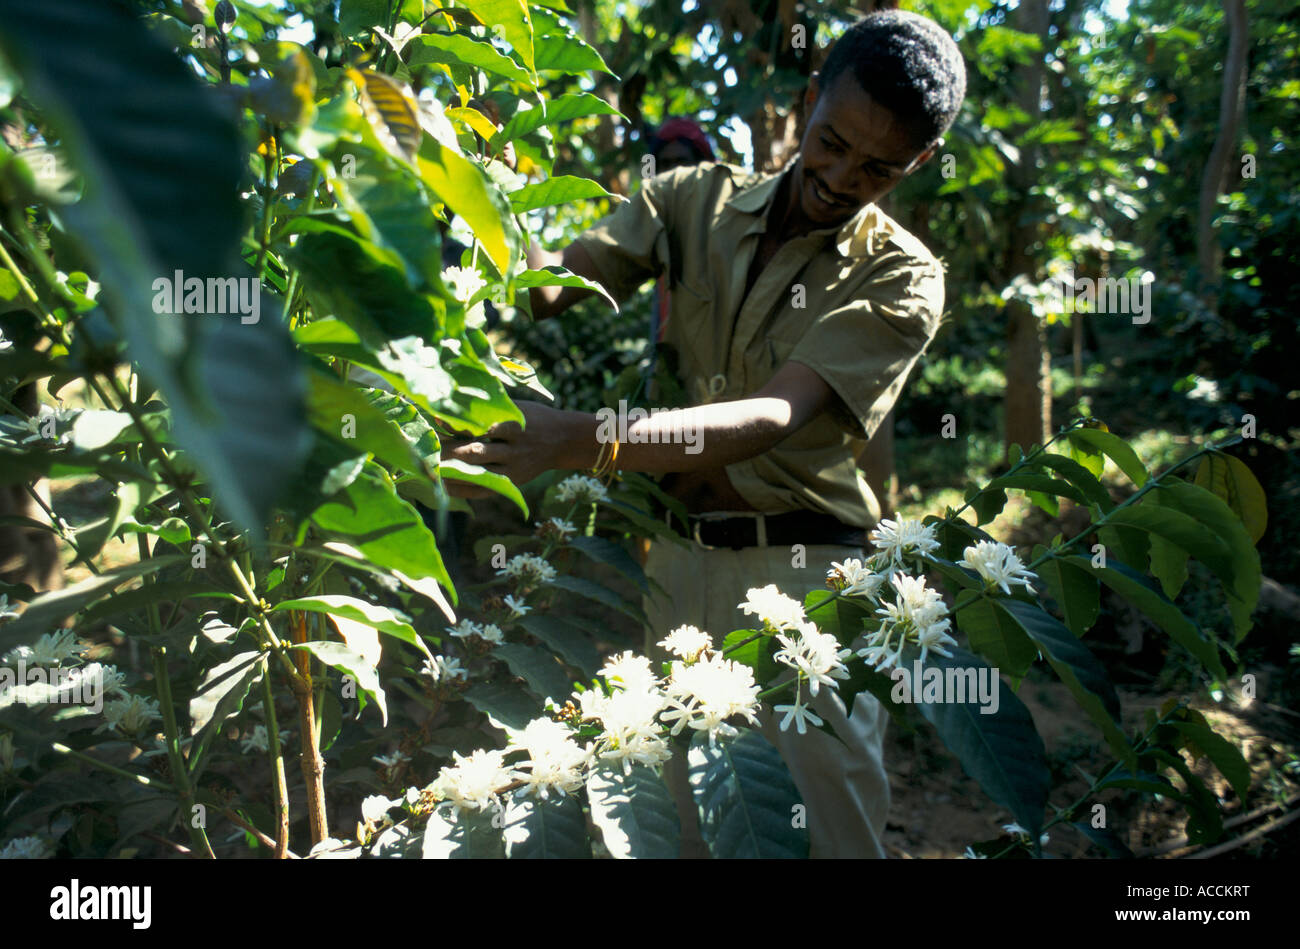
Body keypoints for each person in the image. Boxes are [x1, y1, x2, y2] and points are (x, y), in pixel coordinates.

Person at [444, 9, 967, 857]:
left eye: (879, 167)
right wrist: (477, 213)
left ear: (920, 161)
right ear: (807, 101)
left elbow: (768, 418)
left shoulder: (901, 276)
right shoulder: (696, 201)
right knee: (681, 823)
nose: (839, 176)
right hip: (676, 563)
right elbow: (552, 286)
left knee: (828, 828)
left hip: (806, 586)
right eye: (829, 142)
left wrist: (579, 439)